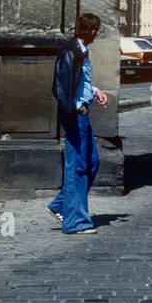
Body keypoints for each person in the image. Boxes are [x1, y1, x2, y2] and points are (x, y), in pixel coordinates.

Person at [49, 12, 108, 235]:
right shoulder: (70, 52)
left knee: (91, 162)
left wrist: (95, 92)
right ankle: (76, 222)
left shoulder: (81, 52)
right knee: (79, 167)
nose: (97, 34)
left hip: (82, 113)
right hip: (76, 116)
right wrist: (75, 107)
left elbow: (79, 82)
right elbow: (60, 86)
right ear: (90, 30)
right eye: (96, 30)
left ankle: (59, 206)